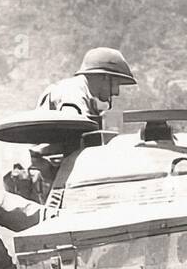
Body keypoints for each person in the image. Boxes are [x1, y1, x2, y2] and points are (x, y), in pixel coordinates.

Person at [22, 46, 138, 195]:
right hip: (53, 177)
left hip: (57, 174)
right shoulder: (72, 93)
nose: (116, 92)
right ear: (104, 77)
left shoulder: (79, 93)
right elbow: (73, 135)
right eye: (116, 84)